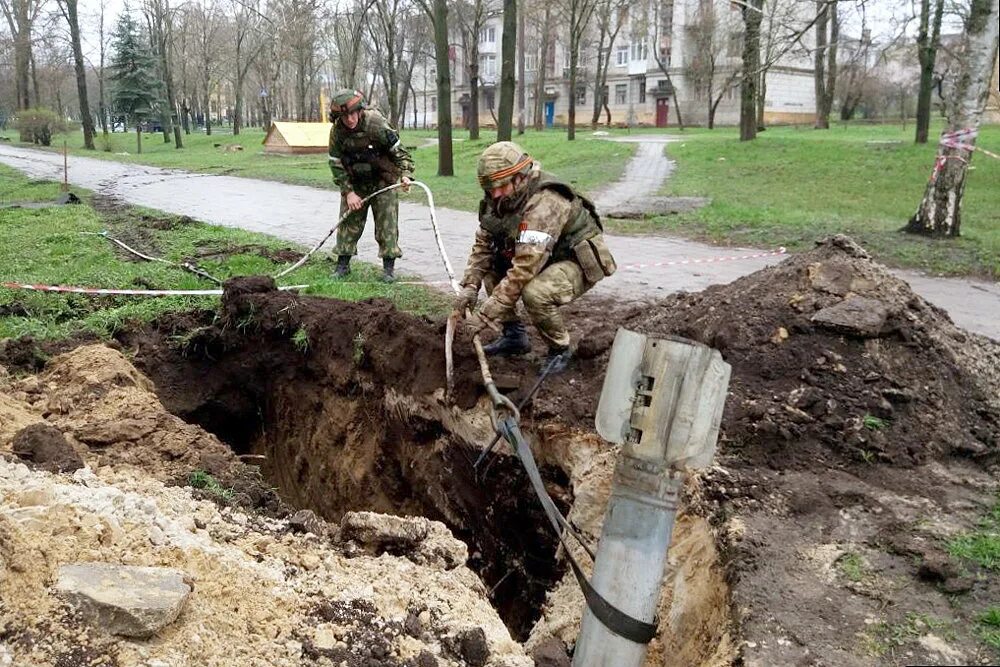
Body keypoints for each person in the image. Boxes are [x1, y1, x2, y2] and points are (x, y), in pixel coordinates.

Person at [454, 141, 617, 373]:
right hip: (540, 257)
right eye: (491, 187)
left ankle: (559, 349)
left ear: (520, 176)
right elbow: (484, 245)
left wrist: (486, 315)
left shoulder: (546, 202)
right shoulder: (497, 197)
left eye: (501, 186)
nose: (496, 193)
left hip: (573, 261)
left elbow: (524, 269)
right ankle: (515, 338)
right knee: (492, 272)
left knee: (535, 293)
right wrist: (470, 285)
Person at [327, 88, 414, 281]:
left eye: (352, 113)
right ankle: (343, 266)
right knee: (349, 223)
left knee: (387, 225)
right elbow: (335, 162)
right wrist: (348, 192)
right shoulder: (337, 132)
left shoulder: (376, 123)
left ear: (359, 110)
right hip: (355, 184)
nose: (349, 119)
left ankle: (388, 270)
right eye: (344, 116)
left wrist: (405, 175)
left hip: (383, 181)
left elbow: (400, 153)